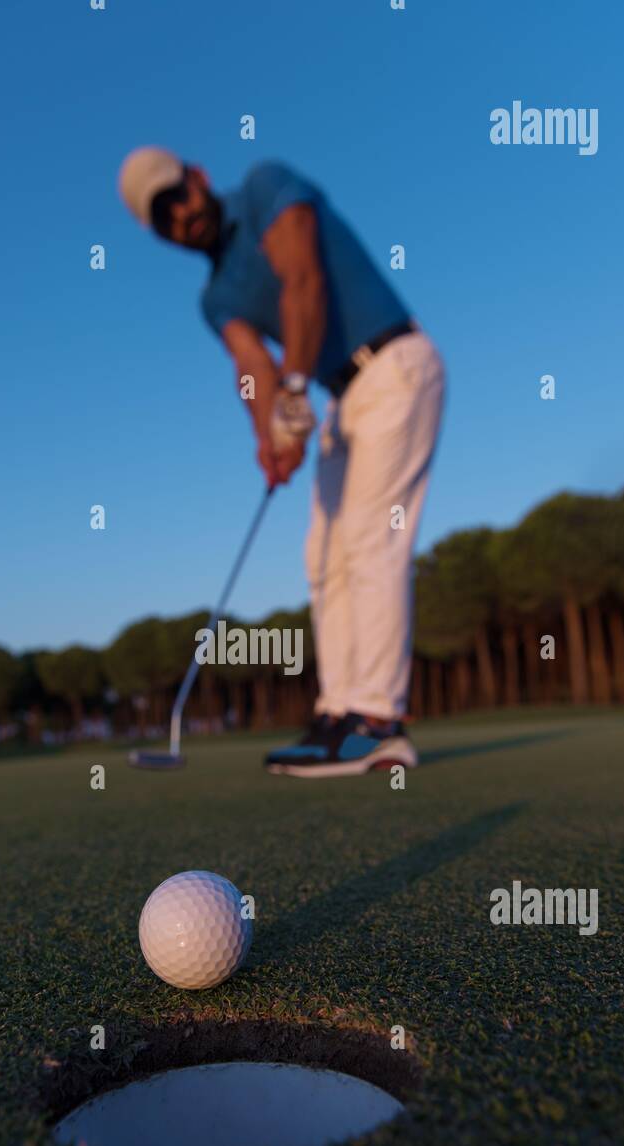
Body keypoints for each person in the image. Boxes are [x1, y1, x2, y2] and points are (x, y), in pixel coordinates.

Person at [118, 148, 445, 777]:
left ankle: (377, 723)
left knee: (372, 539)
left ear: (198, 177)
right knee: (323, 553)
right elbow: (252, 366)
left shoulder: (266, 186)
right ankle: (338, 712)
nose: (182, 217)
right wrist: (269, 436)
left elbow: (303, 279)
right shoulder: (214, 297)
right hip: (341, 397)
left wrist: (293, 393)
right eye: (164, 218)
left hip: (396, 366)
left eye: (178, 196)